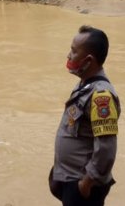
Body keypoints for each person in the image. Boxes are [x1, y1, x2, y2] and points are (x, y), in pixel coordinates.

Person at [49, 26, 121, 206]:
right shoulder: (85, 85)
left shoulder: (101, 97)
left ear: (88, 60)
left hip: (83, 186)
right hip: (70, 177)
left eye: (74, 51)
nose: (68, 56)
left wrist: (86, 183)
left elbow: (106, 149)